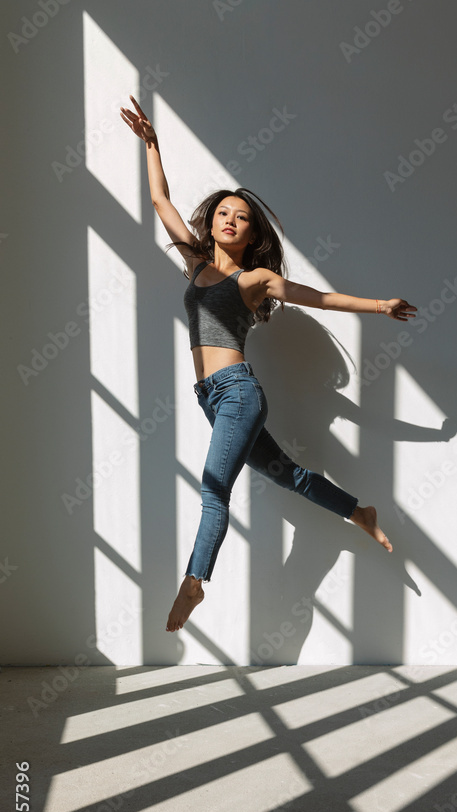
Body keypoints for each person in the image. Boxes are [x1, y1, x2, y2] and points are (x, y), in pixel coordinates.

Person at [120, 96, 417, 633]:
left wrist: (380, 306)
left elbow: (318, 298)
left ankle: (194, 582)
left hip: (238, 393)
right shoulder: (195, 265)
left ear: (253, 235)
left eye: (242, 218)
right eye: (224, 213)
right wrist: (152, 143)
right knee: (291, 476)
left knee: (214, 487)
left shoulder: (254, 280)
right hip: (211, 398)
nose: (231, 220)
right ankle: (359, 512)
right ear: (212, 222)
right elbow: (160, 199)